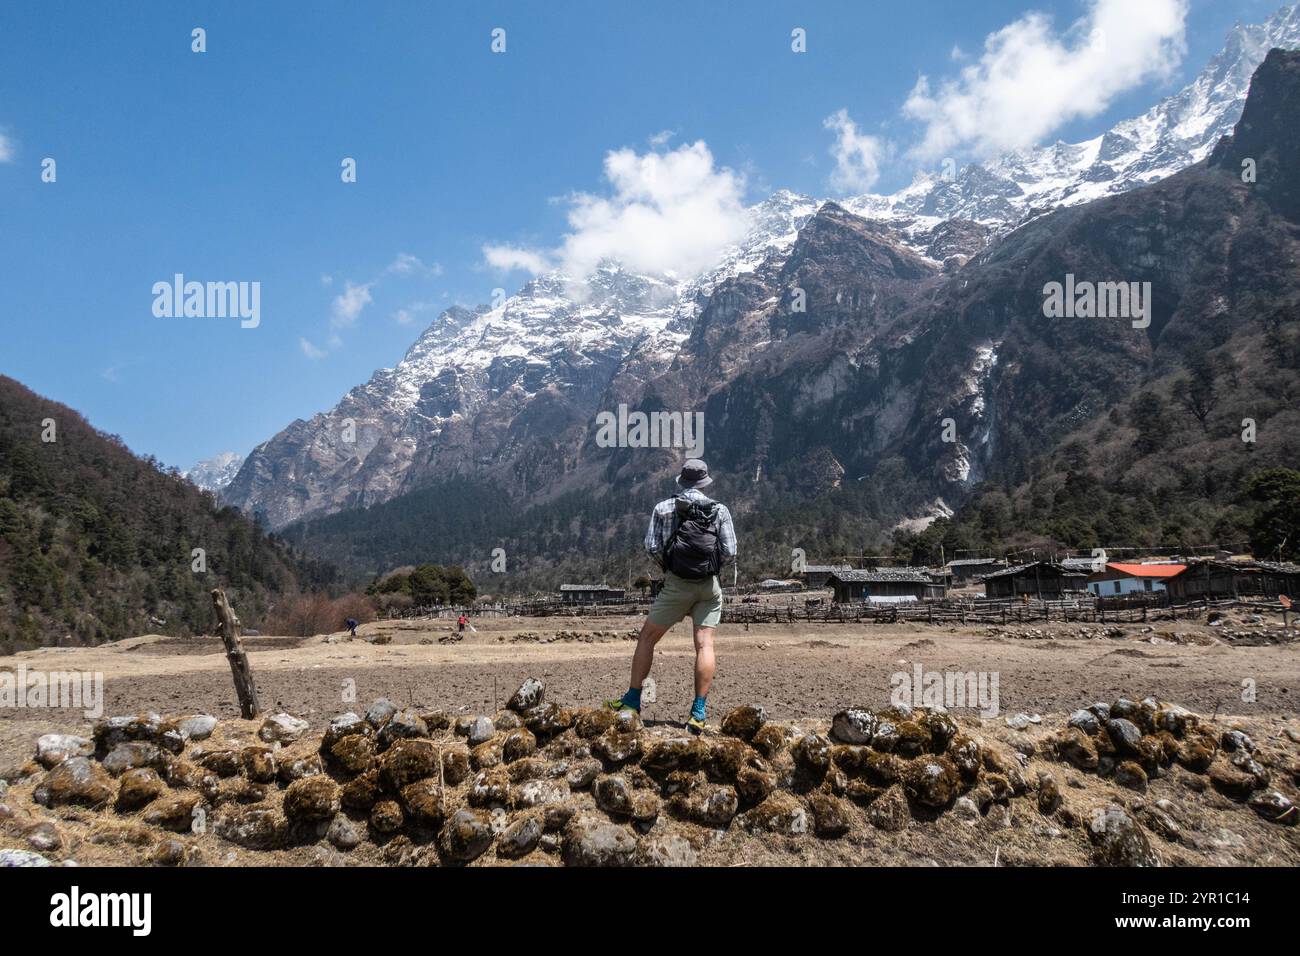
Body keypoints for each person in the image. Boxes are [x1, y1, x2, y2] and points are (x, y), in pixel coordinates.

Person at [605, 458, 736, 734]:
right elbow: (730, 551)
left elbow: (651, 546)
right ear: (704, 482)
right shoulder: (719, 510)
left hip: (677, 584)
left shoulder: (663, 508)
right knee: (704, 645)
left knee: (647, 638)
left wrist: (671, 567)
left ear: (682, 481)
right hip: (709, 586)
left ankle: (632, 700)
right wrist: (710, 567)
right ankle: (698, 712)